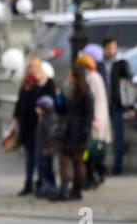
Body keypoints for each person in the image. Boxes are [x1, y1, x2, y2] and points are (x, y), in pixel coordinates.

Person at [11, 55, 56, 196]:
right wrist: (15, 120)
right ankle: (28, 183)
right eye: (30, 67)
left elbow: (50, 103)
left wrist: (36, 84)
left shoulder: (47, 82)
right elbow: (20, 103)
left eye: (35, 67)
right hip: (26, 125)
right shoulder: (26, 83)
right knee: (29, 157)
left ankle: (43, 183)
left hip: (41, 125)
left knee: (41, 156)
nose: (33, 70)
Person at [53, 57, 95, 201]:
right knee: (64, 159)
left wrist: (85, 133)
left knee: (77, 161)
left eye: (70, 74)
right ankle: (65, 189)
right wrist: (58, 100)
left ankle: (76, 190)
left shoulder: (85, 93)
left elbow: (89, 115)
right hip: (66, 131)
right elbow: (61, 111)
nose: (68, 77)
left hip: (78, 131)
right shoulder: (65, 90)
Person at [98, 36, 134, 176]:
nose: (111, 50)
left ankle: (117, 167)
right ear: (104, 48)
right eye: (109, 48)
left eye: (113, 47)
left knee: (119, 137)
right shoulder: (100, 65)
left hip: (116, 105)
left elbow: (127, 86)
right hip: (102, 105)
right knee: (101, 137)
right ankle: (99, 165)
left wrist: (129, 106)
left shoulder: (120, 64)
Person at [80, 43, 112, 189]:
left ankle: (95, 175)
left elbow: (94, 101)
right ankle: (93, 176)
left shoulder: (92, 78)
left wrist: (94, 120)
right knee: (91, 151)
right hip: (98, 119)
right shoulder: (95, 76)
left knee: (90, 150)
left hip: (95, 120)